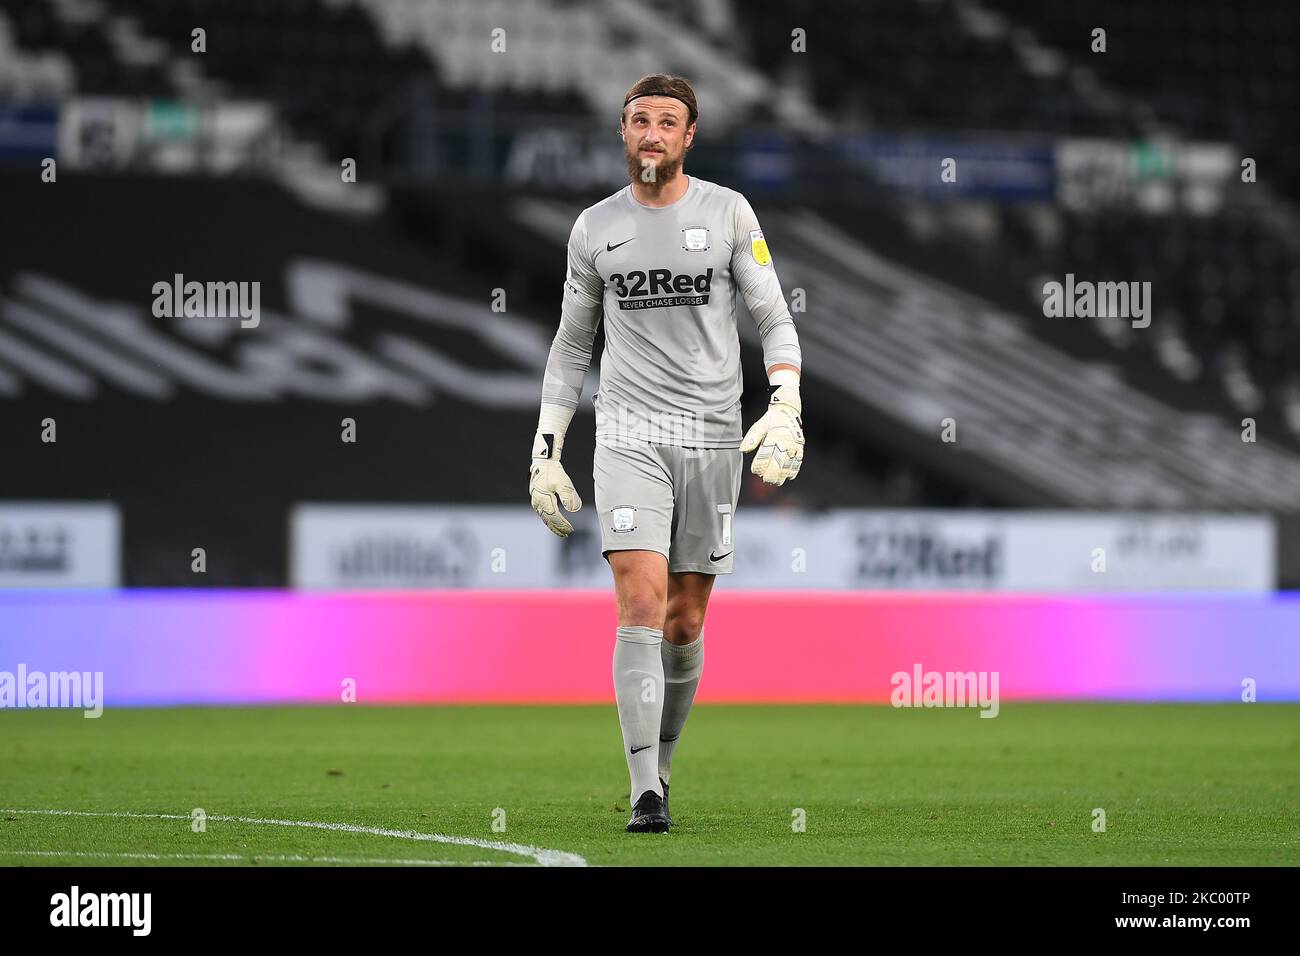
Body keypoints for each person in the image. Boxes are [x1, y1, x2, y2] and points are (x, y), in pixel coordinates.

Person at [529, 73, 805, 833]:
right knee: (642, 599)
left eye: (667, 123)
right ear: (623, 133)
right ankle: (644, 787)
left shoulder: (727, 212)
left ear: (688, 139)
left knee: (684, 621)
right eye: (639, 120)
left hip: (713, 435)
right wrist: (546, 449)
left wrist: (786, 404)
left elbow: (774, 319)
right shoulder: (593, 228)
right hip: (627, 436)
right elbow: (571, 345)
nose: (652, 133)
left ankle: (665, 763)